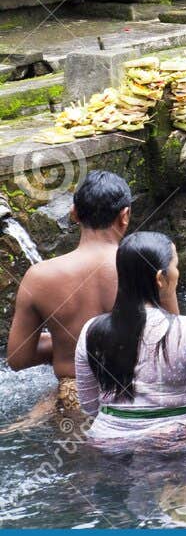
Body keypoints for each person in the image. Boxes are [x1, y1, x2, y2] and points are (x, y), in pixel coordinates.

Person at [74, 231, 186, 443]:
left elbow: (90, 405)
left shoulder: (91, 330)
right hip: (174, 443)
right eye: (175, 266)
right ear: (160, 278)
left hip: (108, 442)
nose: (177, 272)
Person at [6, 170, 131, 416]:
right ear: (124, 216)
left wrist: (67, 342)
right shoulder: (143, 265)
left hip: (76, 399)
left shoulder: (40, 276)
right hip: (141, 393)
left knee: (81, 453)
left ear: (73, 213)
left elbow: (18, 358)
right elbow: (170, 341)